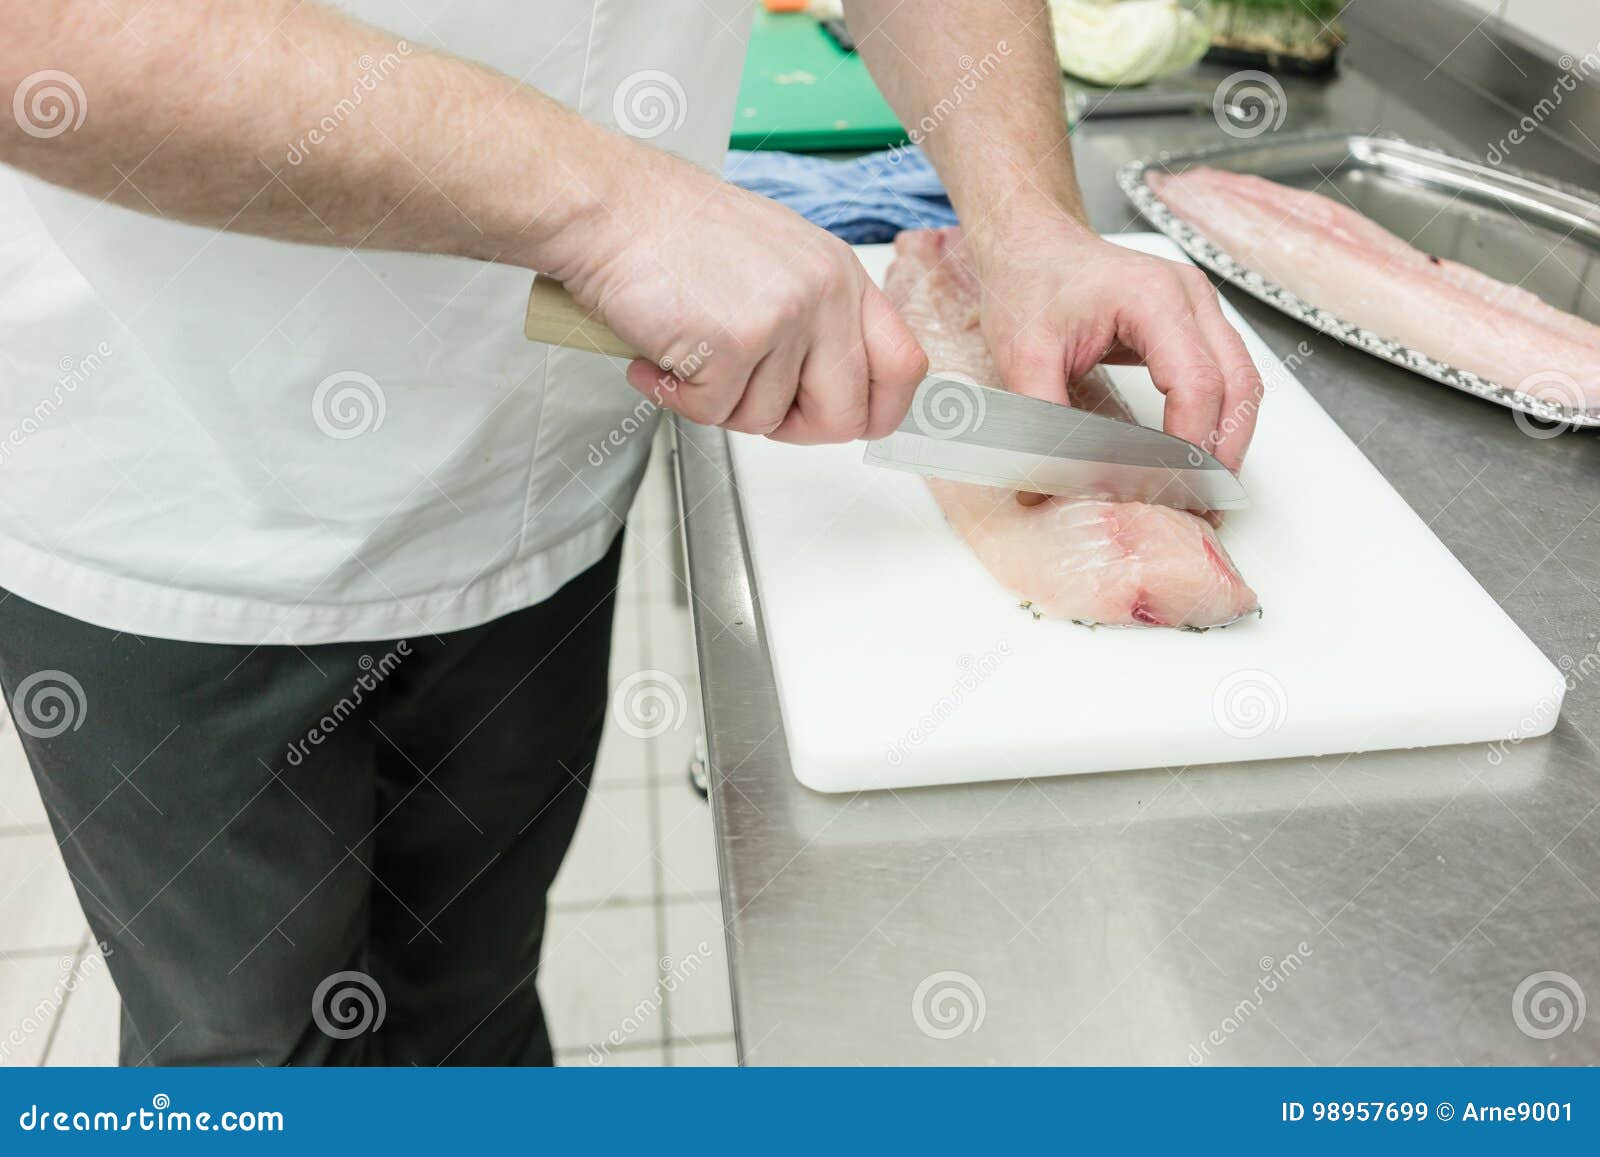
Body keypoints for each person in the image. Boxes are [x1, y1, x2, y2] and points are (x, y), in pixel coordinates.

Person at [0, 0, 1263, 1065]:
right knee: (251, 1054)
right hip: (176, 490)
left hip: (538, 481)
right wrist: (610, 207)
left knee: (472, 998)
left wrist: (1027, 216)